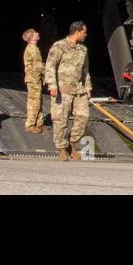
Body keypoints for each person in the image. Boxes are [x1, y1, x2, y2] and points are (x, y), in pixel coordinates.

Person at [45, 20, 93, 161]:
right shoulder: (59, 46)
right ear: (77, 32)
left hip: (79, 90)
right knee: (61, 120)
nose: (86, 34)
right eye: (84, 32)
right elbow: (50, 66)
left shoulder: (83, 49)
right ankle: (61, 148)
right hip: (62, 89)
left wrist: (88, 87)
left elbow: (86, 71)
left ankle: (71, 143)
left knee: (83, 118)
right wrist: (52, 85)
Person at [22, 28, 45, 133]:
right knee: (34, 101)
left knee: (37, 100)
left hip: (34, 78)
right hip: (33, 78)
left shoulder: (33, 48)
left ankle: (38, 122)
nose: (38, 33)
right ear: (32, 36)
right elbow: (38, 65)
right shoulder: (33, 49)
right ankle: (30, 124)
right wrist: (48, 72)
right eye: (36, 33)